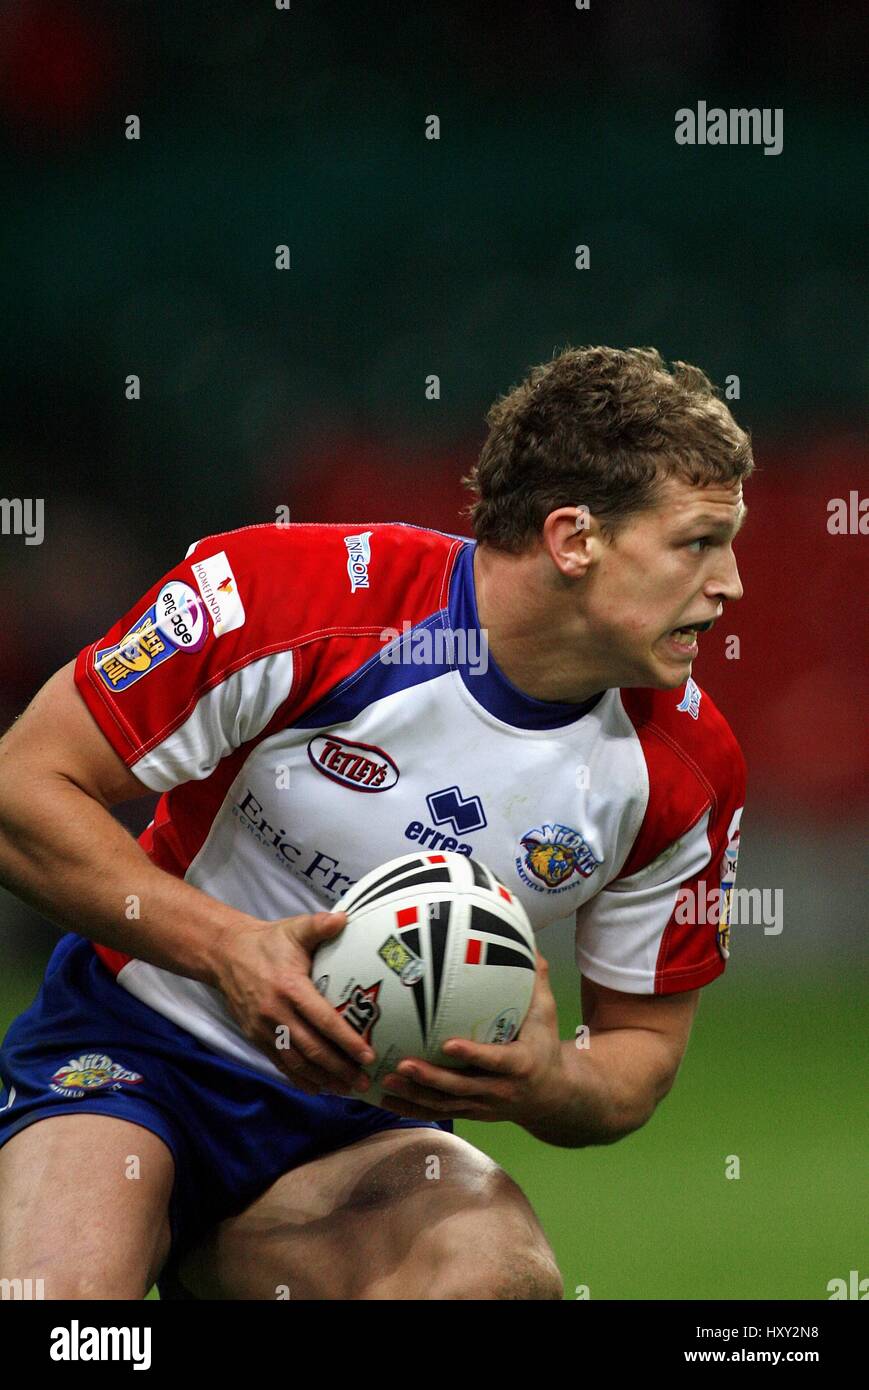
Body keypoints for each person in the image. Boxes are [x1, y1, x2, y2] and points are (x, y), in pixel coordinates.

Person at [0, 345, 751, 1300]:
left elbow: (638, 1055)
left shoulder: (687, 769)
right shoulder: (288, 597)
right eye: (698, 542)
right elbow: (20, 788)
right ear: (574, 539)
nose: (730, 585)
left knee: (497, 1283)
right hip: (132, 1053)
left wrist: (548, 1080)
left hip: (362, 1136)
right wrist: (229, 949)